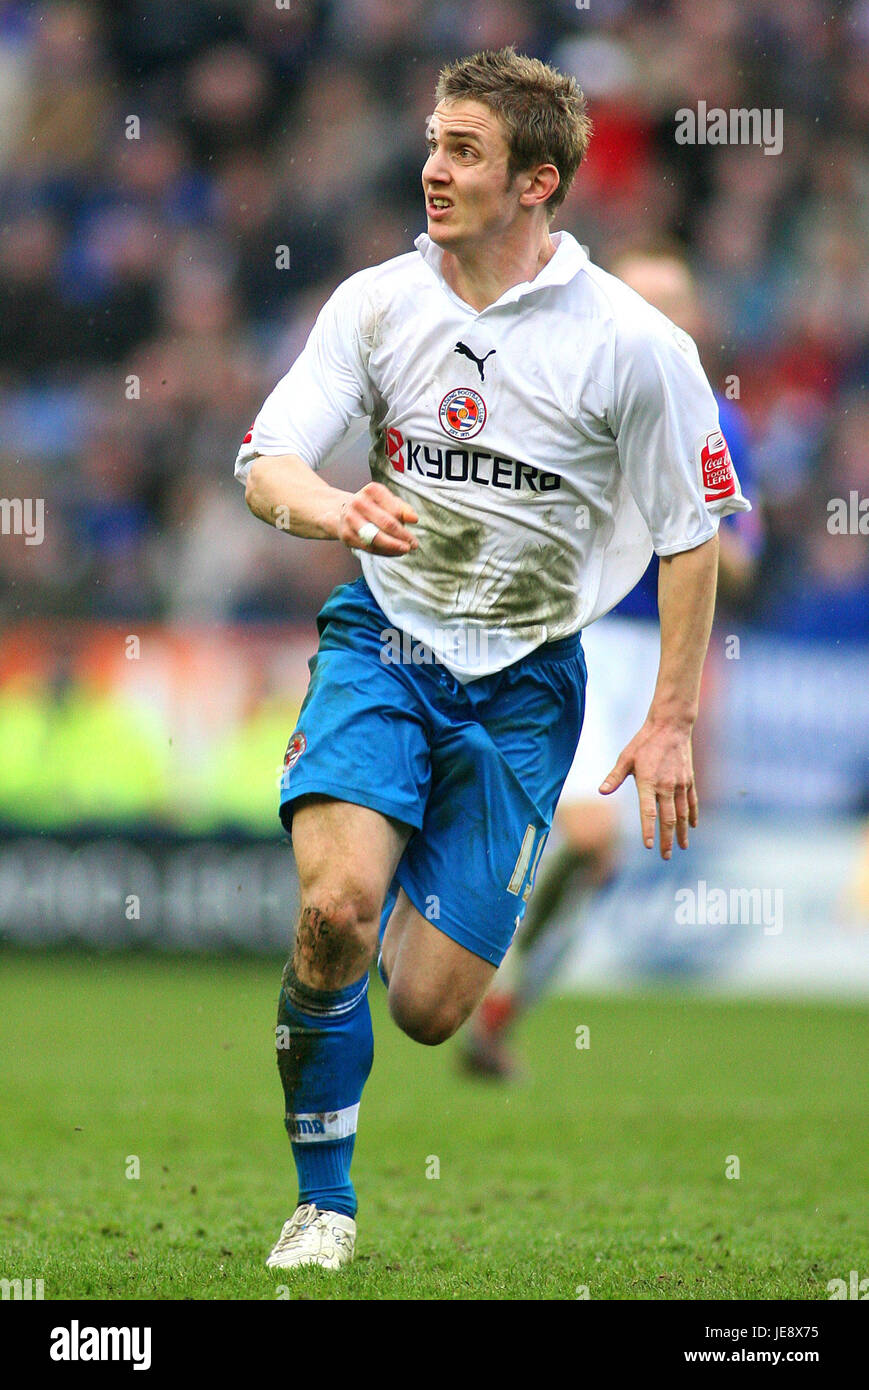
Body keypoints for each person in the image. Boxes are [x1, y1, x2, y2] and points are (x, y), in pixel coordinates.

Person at [234, 47, 750, 1270]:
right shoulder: (374, 304)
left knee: (424, 1009)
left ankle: (414, 862)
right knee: (332, 913)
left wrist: (670, 716)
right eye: (432, 142)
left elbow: (692, 533)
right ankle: (325, 1201)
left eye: (463, 151)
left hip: (525, 686)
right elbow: (267, 460)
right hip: (385, 643)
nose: (431, 168)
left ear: (537, 181)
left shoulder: (633, 344)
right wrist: (334, 510)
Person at [460, 244, 763, 1079]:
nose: (660, 317)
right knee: (583, 833)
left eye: (675, 302)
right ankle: (455, 952)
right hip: (566, 633)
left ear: (695, 321)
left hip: (652, 657)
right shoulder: (572, 392)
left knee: (599, 855)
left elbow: (736, 560)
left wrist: (692, 524)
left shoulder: (717, 422)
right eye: (644, 299)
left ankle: (496, 1011)